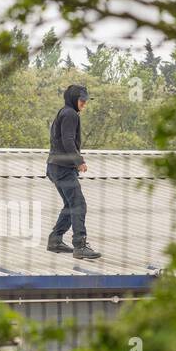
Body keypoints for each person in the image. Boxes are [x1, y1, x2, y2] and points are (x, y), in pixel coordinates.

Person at [45, 84, 100, 259]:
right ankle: (80, 245)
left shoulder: (64, 112)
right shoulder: (70, 114)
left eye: (86, 100)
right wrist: (79, 161)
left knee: (71, 205)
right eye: (82, 100)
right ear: (74, 99)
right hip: (63, 169)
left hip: (54, 166)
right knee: (79, 205)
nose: (84, 103)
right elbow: (68, 140)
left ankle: (55, 240)